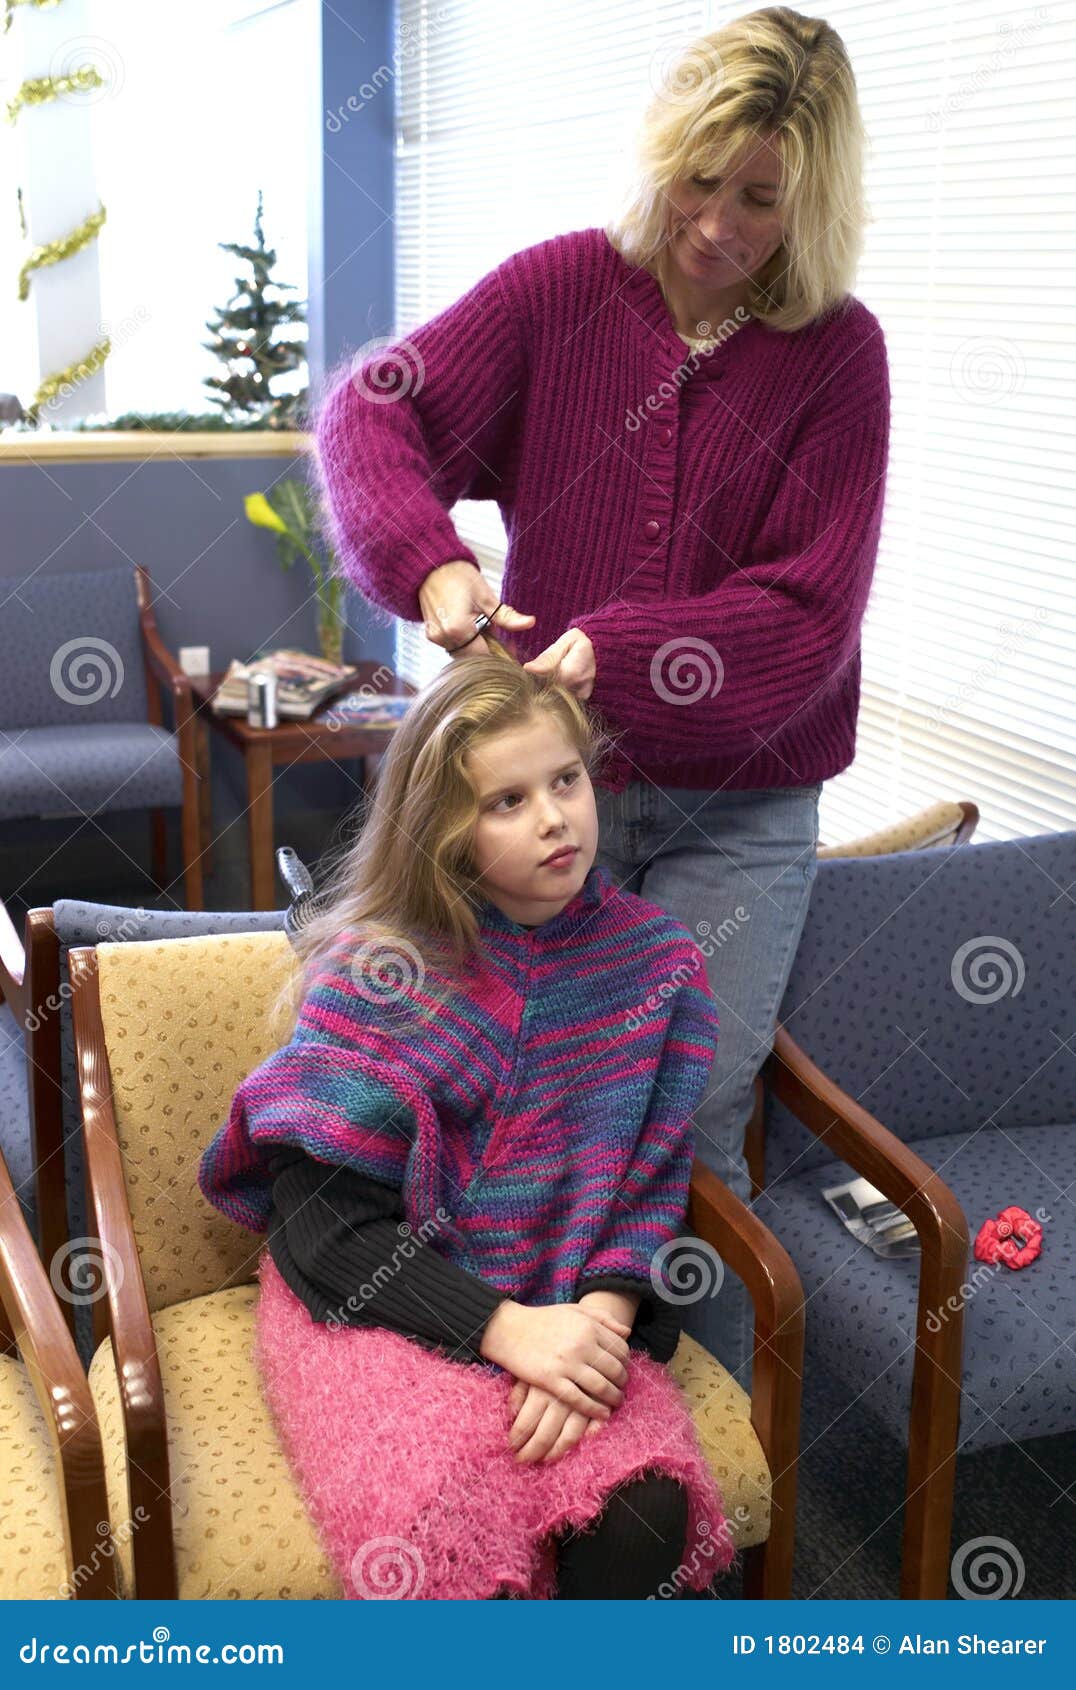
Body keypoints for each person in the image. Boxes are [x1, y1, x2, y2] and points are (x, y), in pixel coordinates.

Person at [312, 7, 891, 1386]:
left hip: (732, 814)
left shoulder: (839, 357)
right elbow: (370, 413)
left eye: (762, 198)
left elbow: (807, 616)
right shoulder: (564, 292)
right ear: (662, 157)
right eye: (702, 178)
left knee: (679, 1124)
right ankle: (493, 1393)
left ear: (814, 199)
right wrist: (435, 568)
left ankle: (695, 1466)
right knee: (485, 1090)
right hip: (530, 787)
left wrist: (609, 657)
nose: (719, 223)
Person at [198, 645, 734, 1601]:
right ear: (444, 830)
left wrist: (592, 1334)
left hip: (571, 1298)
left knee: (645, 1512)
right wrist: (505, 1331)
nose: (556, 819)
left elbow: (650, 1185)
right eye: (507, 801)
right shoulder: (384, 970)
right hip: (379, 1307)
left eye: (565, 780)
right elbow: (319, 1230)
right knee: (447, 1527)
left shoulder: (659, 965)